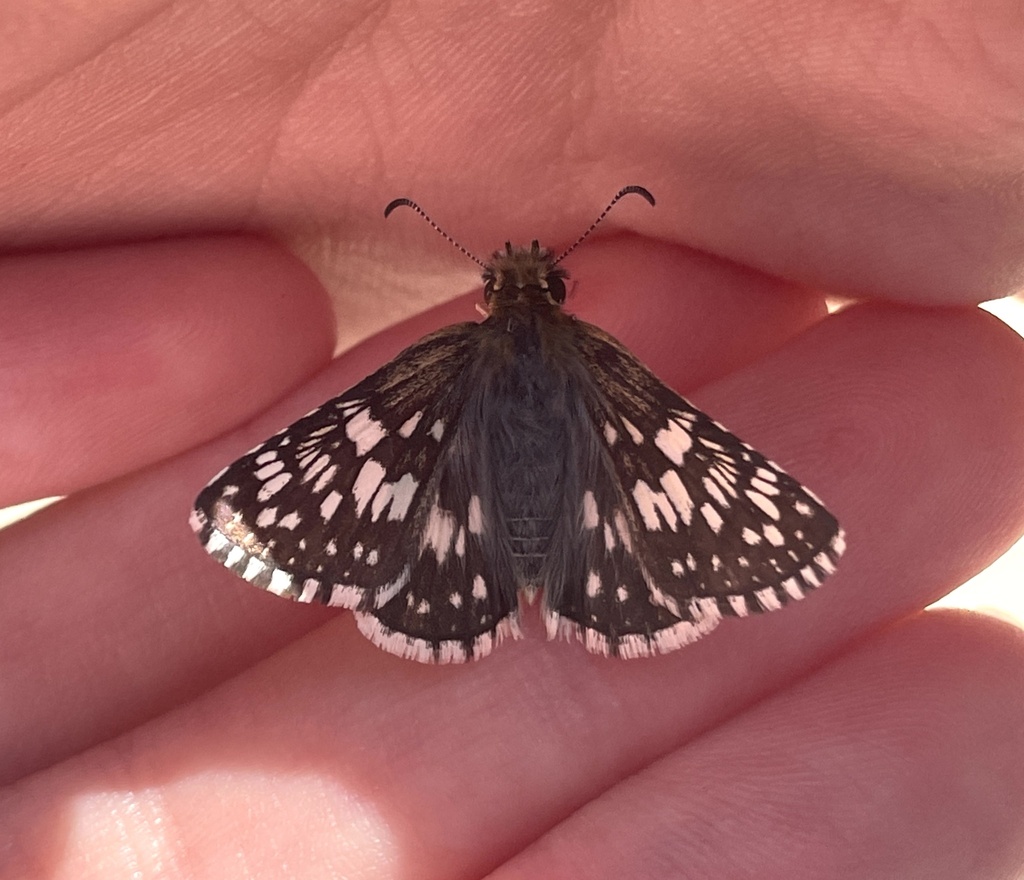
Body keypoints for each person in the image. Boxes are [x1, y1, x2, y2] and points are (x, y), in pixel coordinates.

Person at [1, 2, 1023, 876]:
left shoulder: (439, 367)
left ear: (487, 299)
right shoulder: (602, 361)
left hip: (457, 528)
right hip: (592, 520)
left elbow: (311, 488)